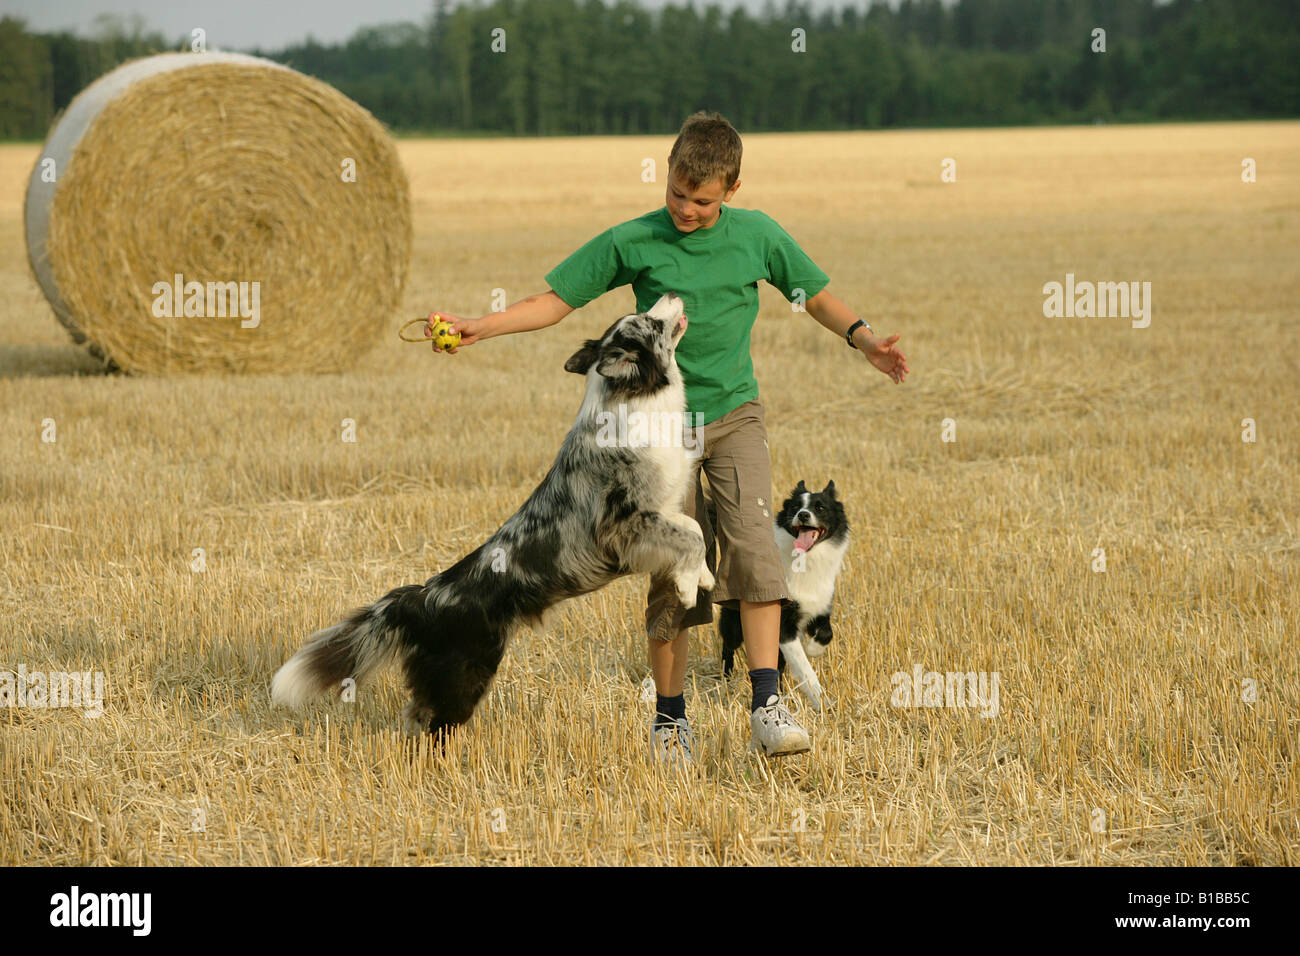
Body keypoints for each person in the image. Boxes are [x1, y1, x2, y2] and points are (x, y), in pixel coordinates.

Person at [428, 111, 908, 764]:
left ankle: (766, 704)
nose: (685, 208)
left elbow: (816, 296)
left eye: (701, 200)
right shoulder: (636, 239)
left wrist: (866, 340)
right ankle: (669, 718)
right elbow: (554, 301)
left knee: (756, 555)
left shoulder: (758, 235)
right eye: (677, 193)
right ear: (667, 174)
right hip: (662, 433)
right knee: (676, 570)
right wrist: (483, 326)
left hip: (736, 417)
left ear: (731, 191)